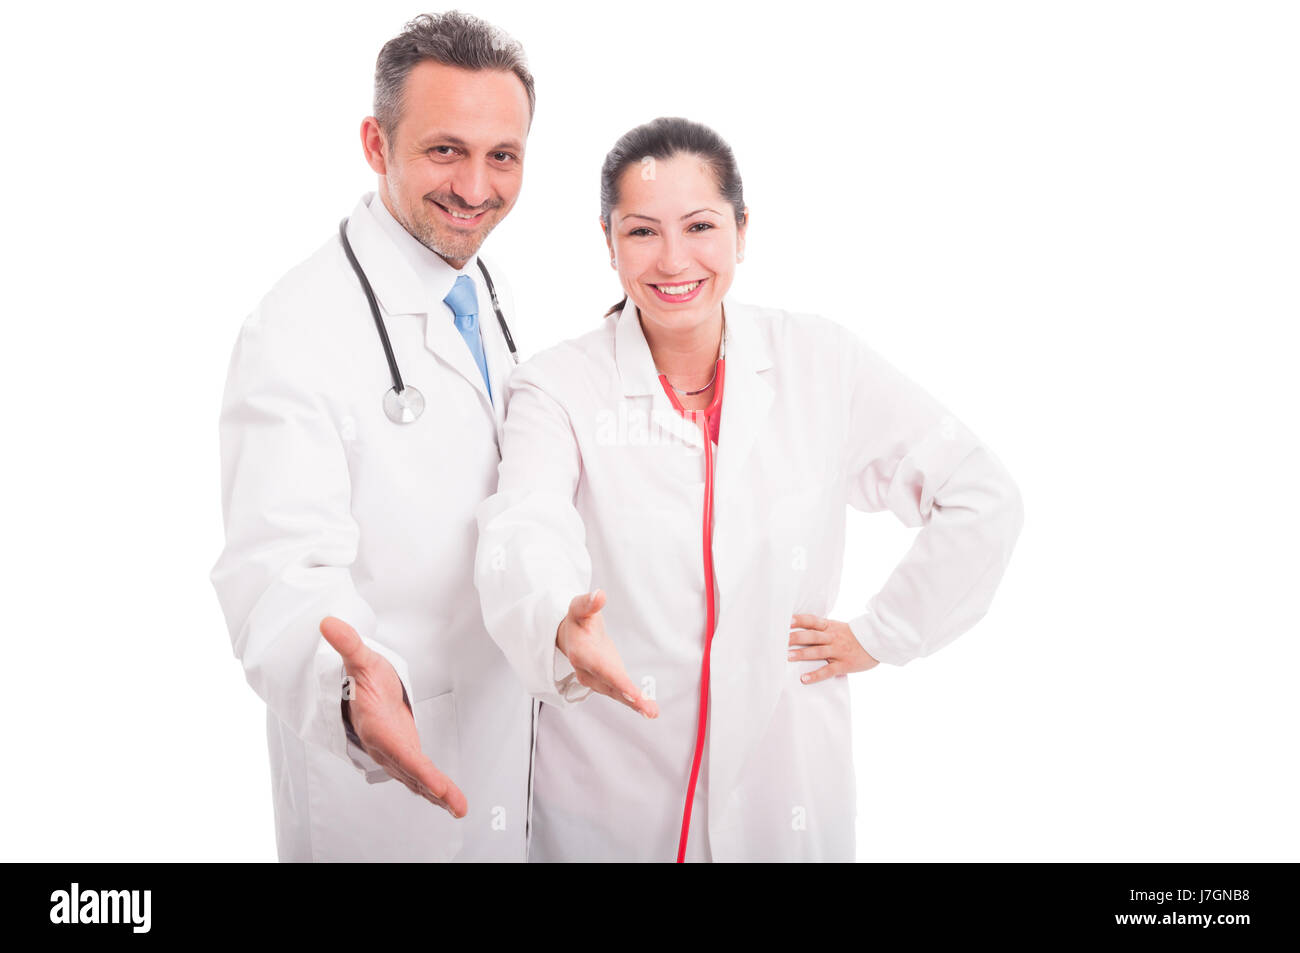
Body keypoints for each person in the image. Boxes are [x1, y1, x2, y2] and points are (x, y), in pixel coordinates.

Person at [474, 117, 1025, 862]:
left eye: (700, 225)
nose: (674, 259)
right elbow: (526, 524)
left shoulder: (819, 362)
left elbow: (980, 493)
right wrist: (556, 620)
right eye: (641, 232)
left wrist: (883, 634)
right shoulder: (558, 385)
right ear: (606, 241)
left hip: (785, 789)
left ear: (741, 229)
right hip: (611, 797)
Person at [211, 12, 537, 862]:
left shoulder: (474, 286)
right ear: (374, 142)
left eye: (502, 155)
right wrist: (351, 696)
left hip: (509, 758)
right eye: (444, 150)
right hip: (387, 796)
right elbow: (275, 568)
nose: (476, 185)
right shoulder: (295, 329)